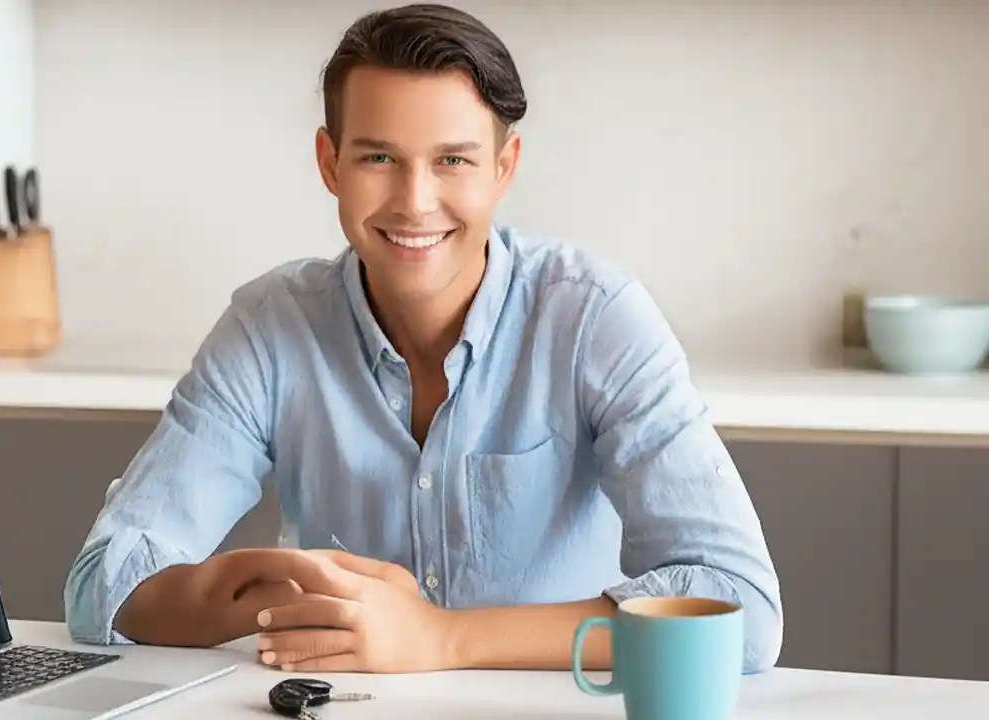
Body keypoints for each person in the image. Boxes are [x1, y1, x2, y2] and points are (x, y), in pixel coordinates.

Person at [64, 2, 782, 674]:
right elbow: (103, 586)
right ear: (329, 163)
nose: (414, 202)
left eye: (453, 160)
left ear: (504, 167)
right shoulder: (271, 326)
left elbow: (741, 612)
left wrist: (440, 638)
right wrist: (276, 587)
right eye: (378, 158)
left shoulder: (594, 317)